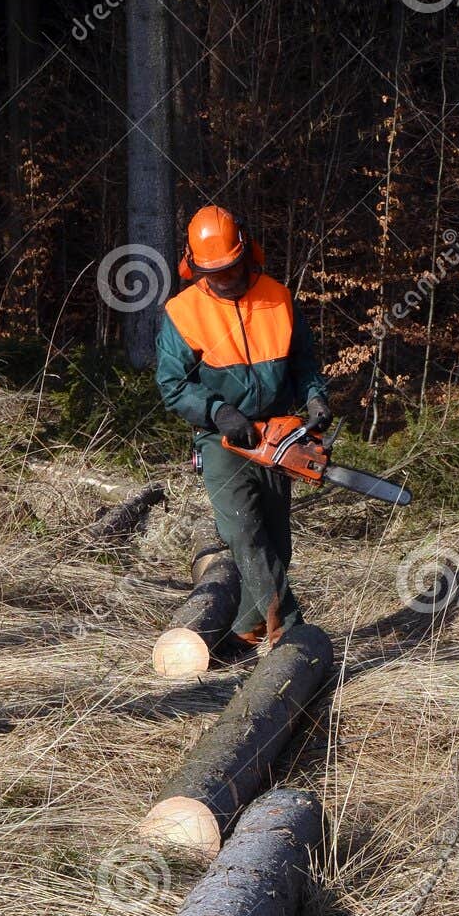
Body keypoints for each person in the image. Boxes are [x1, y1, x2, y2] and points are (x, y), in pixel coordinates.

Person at [156, 204, 330, 649]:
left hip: (278, 434)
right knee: (242, 532)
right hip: (221, 438)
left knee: (277, 542)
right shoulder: (183, 312)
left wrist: (314, 397)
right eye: (214, 272)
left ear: (246, 252)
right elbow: (173, 385)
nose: (225, 278)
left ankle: (243, 633)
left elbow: (303, 362)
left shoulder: (278, 298)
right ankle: (290, 632)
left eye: (231, 267)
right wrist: (217, 411)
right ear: (195, 266)